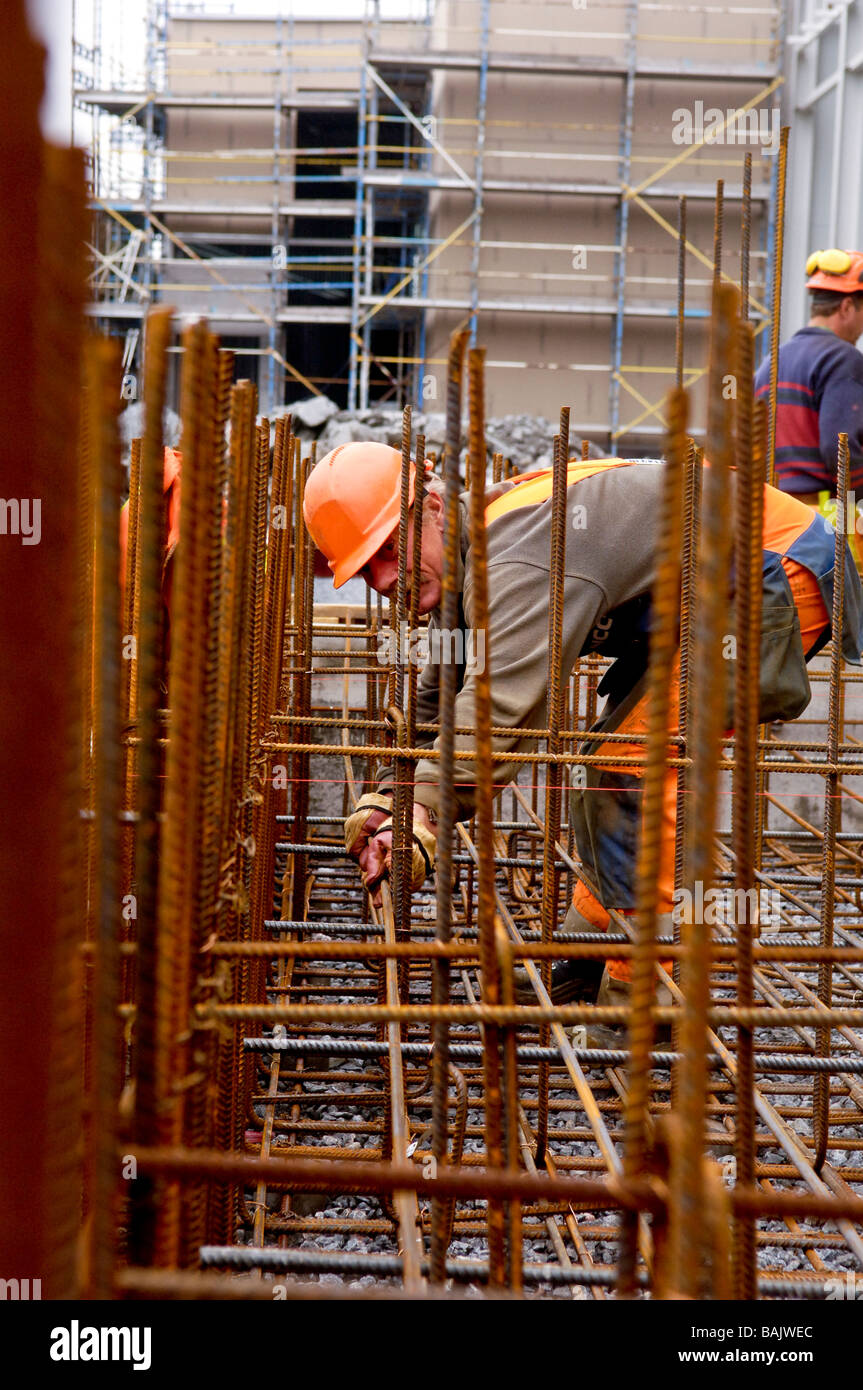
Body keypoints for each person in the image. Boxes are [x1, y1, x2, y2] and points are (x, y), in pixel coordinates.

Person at [303, 441, 863, 1020]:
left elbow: (501, 709)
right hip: (698, 590)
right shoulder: (460, 556)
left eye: (390, 547)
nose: (385, 577)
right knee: (604, 762)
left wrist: (421, 809)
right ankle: (587, 953)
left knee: (632, 768)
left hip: (770, 570)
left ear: (437, 506)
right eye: (365, 567)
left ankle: (645, 997)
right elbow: (445, 689)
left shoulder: (516, 557)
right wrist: (394, 797)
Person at [754, 249, 863, 572]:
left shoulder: (771, 362)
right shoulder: (843, 359)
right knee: (847, 612)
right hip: (827, 514)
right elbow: (841, 447)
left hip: (774, 516)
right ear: (846, 306)